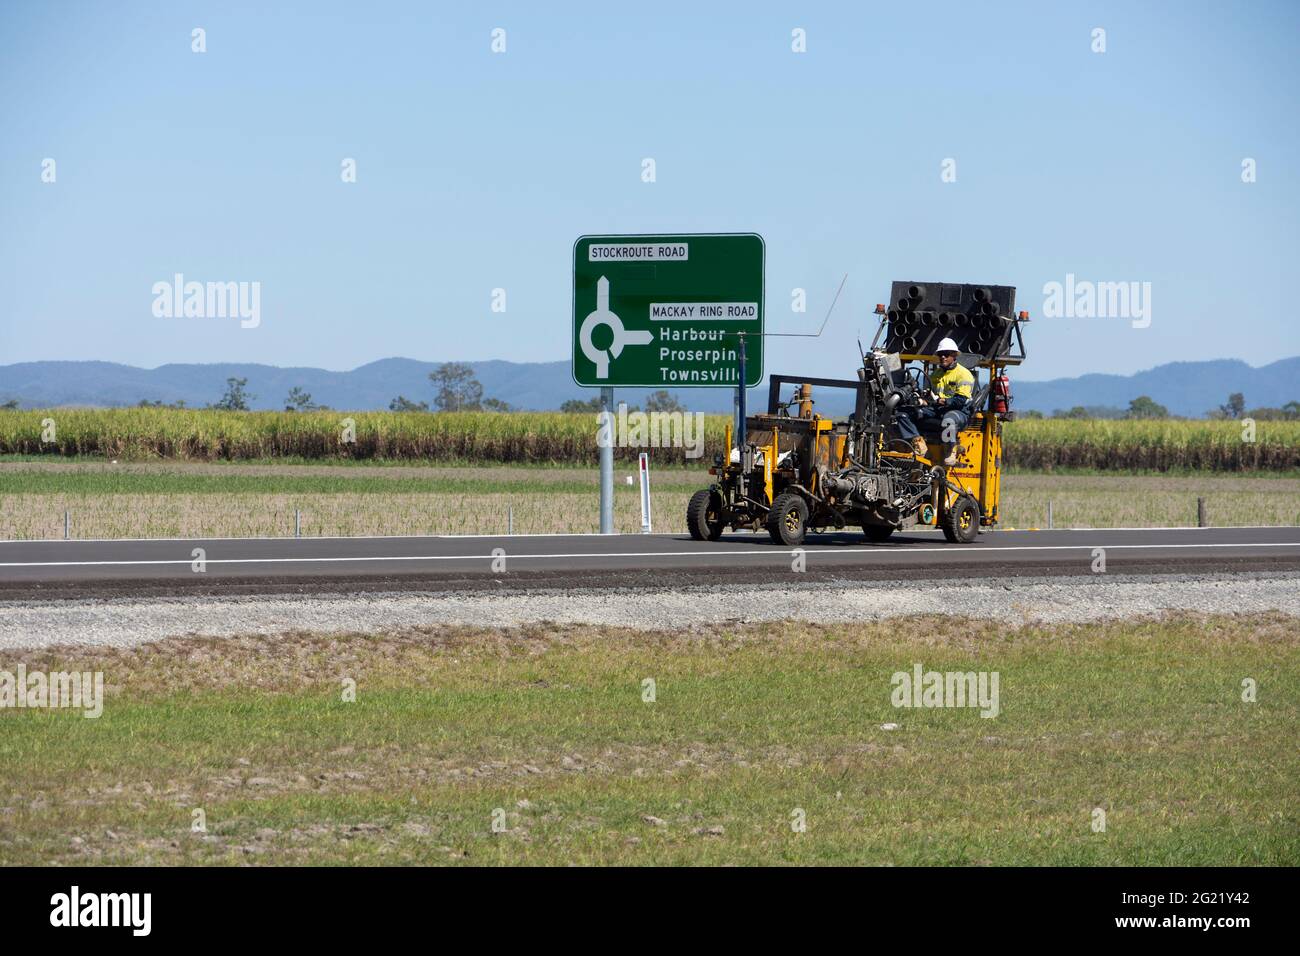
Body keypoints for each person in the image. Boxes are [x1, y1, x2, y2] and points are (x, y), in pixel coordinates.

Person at [892, 338, 974, 466]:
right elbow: (930, 396)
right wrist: (923, 401)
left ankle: (950, 449)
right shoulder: (936, 374)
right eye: (940, 354)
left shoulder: (964, 374)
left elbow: (960, 401)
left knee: (949, 419)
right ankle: (920, 445)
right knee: (902, 414)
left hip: (959, 413)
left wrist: (945, 401)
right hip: (937, 410)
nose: (943, 357)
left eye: (946, 354)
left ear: (954, 355)